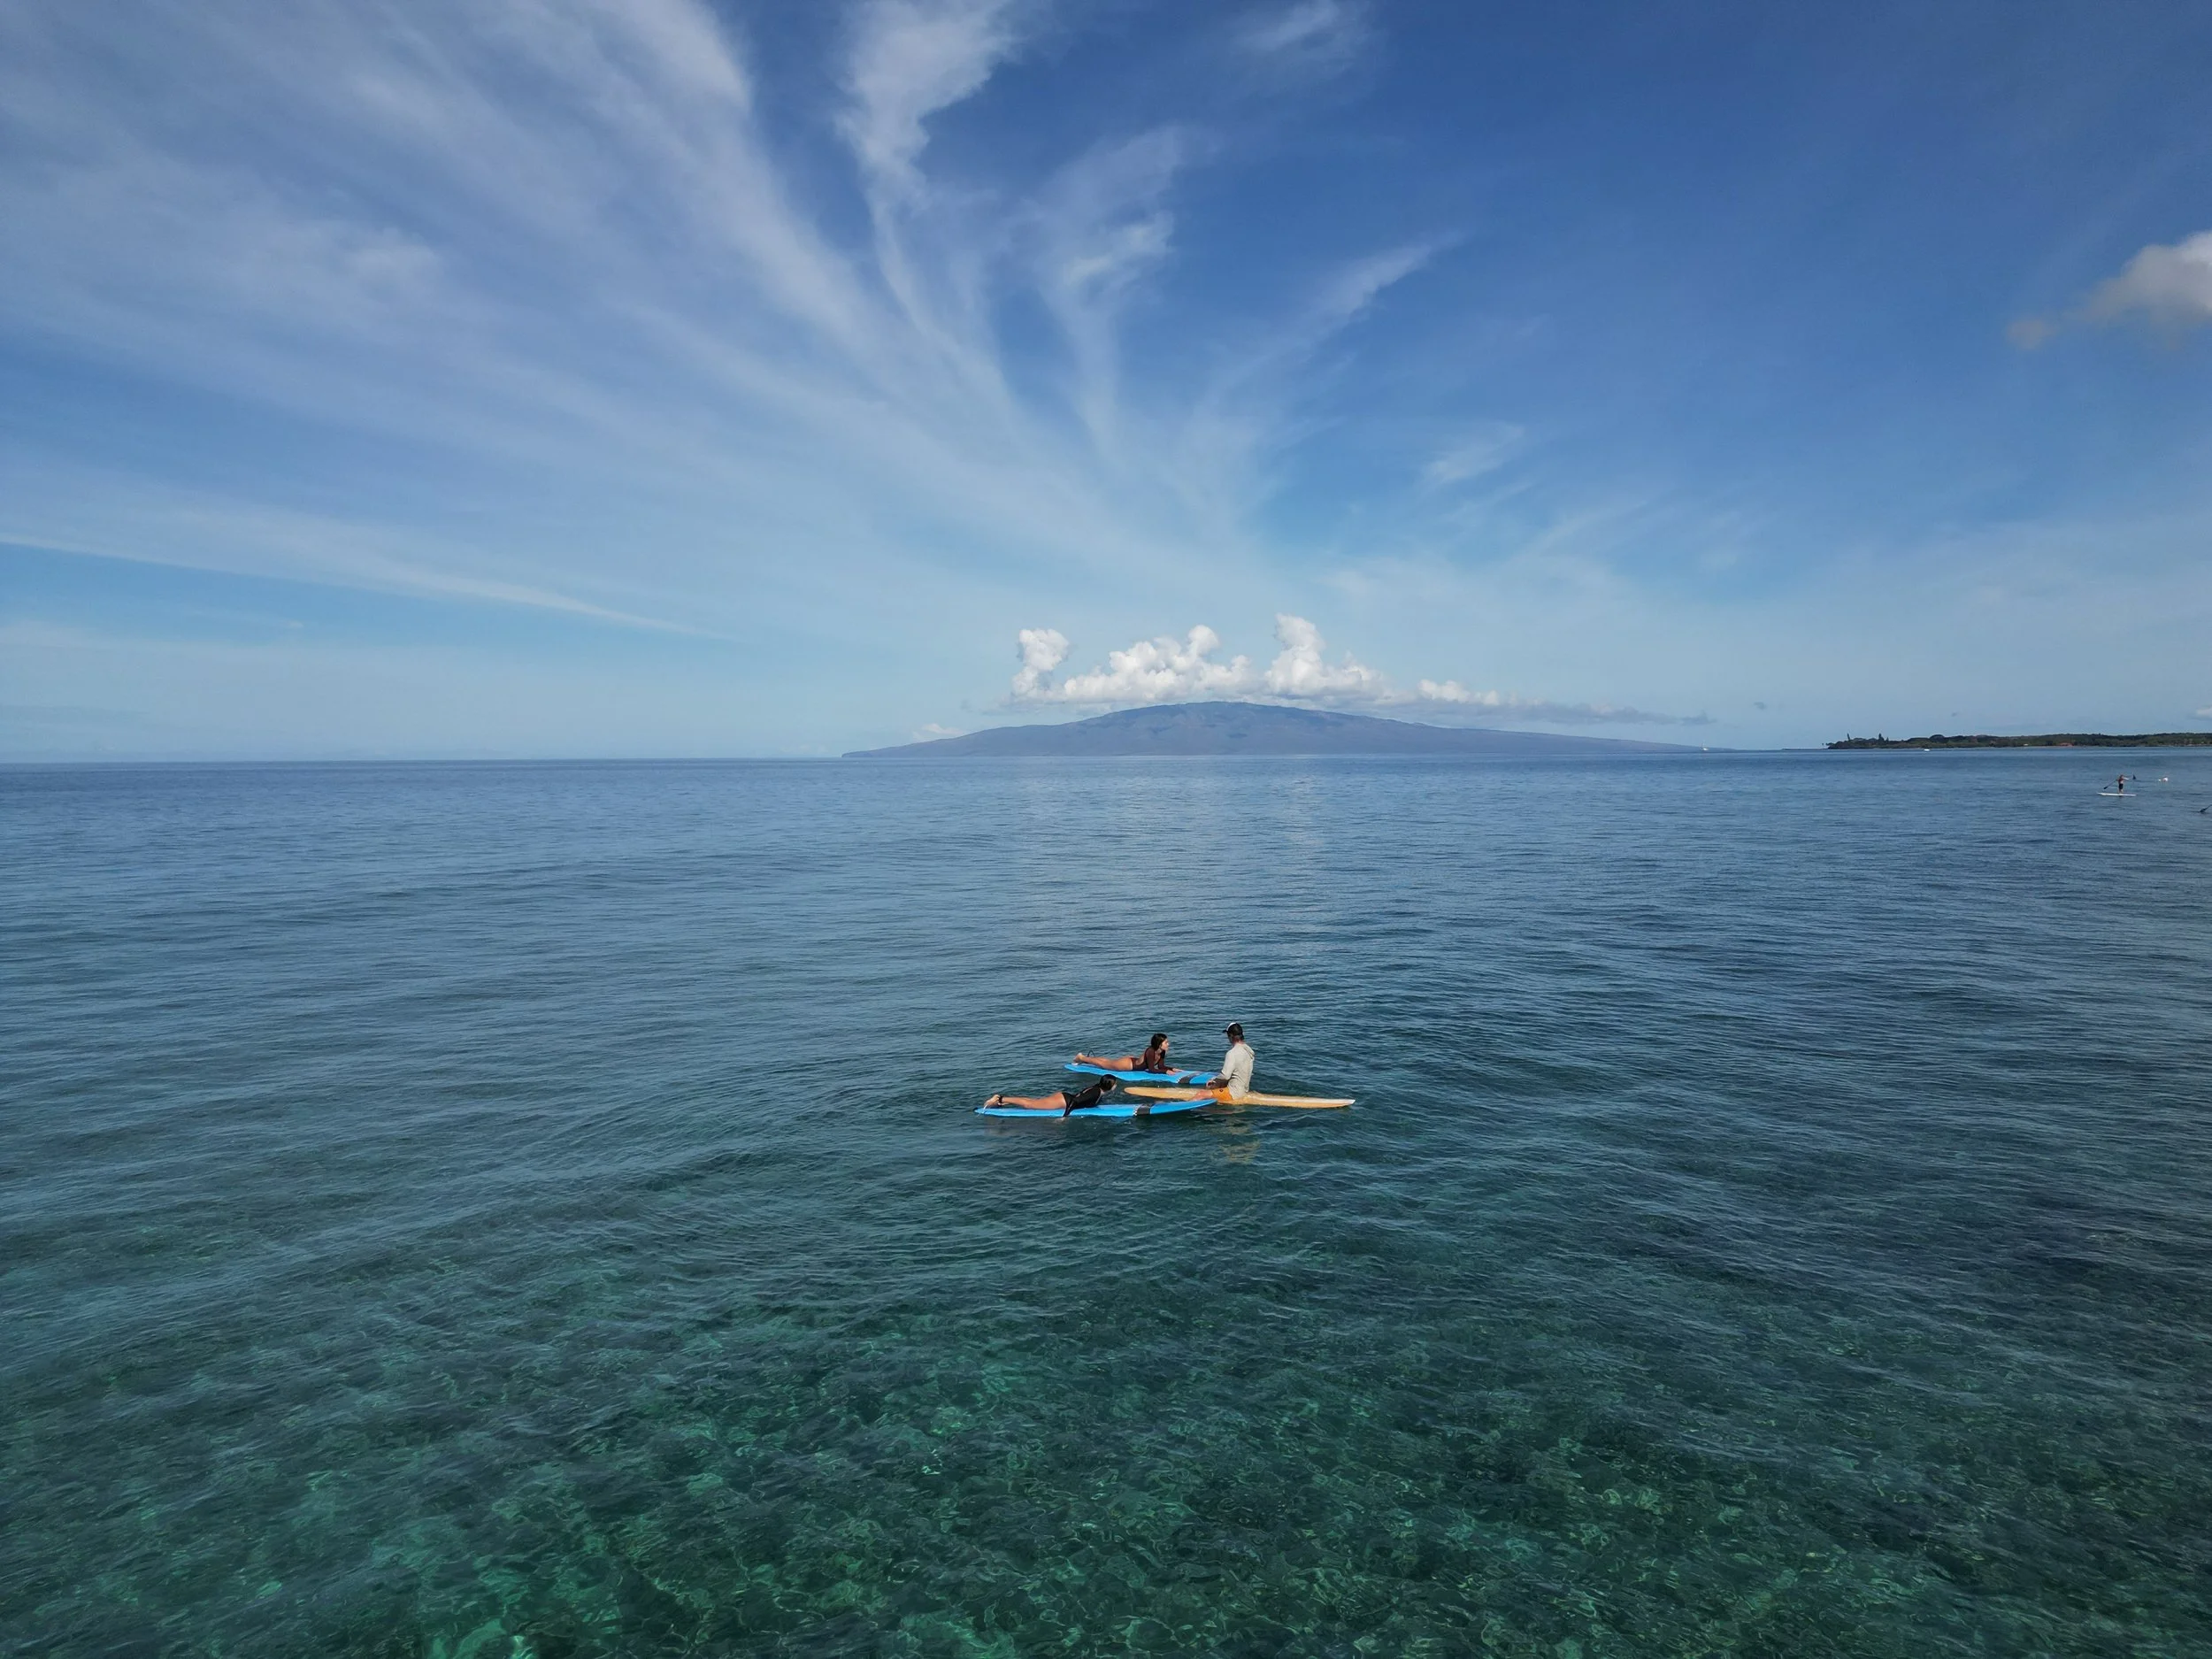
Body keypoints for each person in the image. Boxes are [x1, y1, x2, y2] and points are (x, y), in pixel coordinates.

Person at [985, 1075, 1121, 1118]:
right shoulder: (1096, 1092)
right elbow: (1075, 1101)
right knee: (1031, 1105)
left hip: (1063, 1097)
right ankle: (1000, 1098)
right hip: (1064, 1102)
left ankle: (1003, 1102)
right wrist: (1064, 1117)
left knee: (1034, 1102)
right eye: (1115, 1084)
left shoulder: (1098, 1089)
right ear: (1109, 1086)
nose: (1116, 1086)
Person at [1073, 1033, 1174, 1074]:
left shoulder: (1162, 1052)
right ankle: (1081, 1058)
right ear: (1159, 1044)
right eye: (1166, 1042)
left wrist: (1172, 1069)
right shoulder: (1151, 1051)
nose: (1168, 1044)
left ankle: (1083, 1058)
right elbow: (1152, 1069)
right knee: (1104, 1065)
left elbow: (1161, 1066)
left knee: (1108, 1062)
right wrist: (1165, 1072)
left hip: (1132, 1061)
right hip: (1127, 1065)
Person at [1209, 1022, 1256, 1102]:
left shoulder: (1232, 1053)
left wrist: (1213, 1079)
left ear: (1230, 1036)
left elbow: (1225, 1076)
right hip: (1244, 1090)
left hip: (1234, 1093)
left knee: (1201, 1094)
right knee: (1216, 1085)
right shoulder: (1248, 1050)